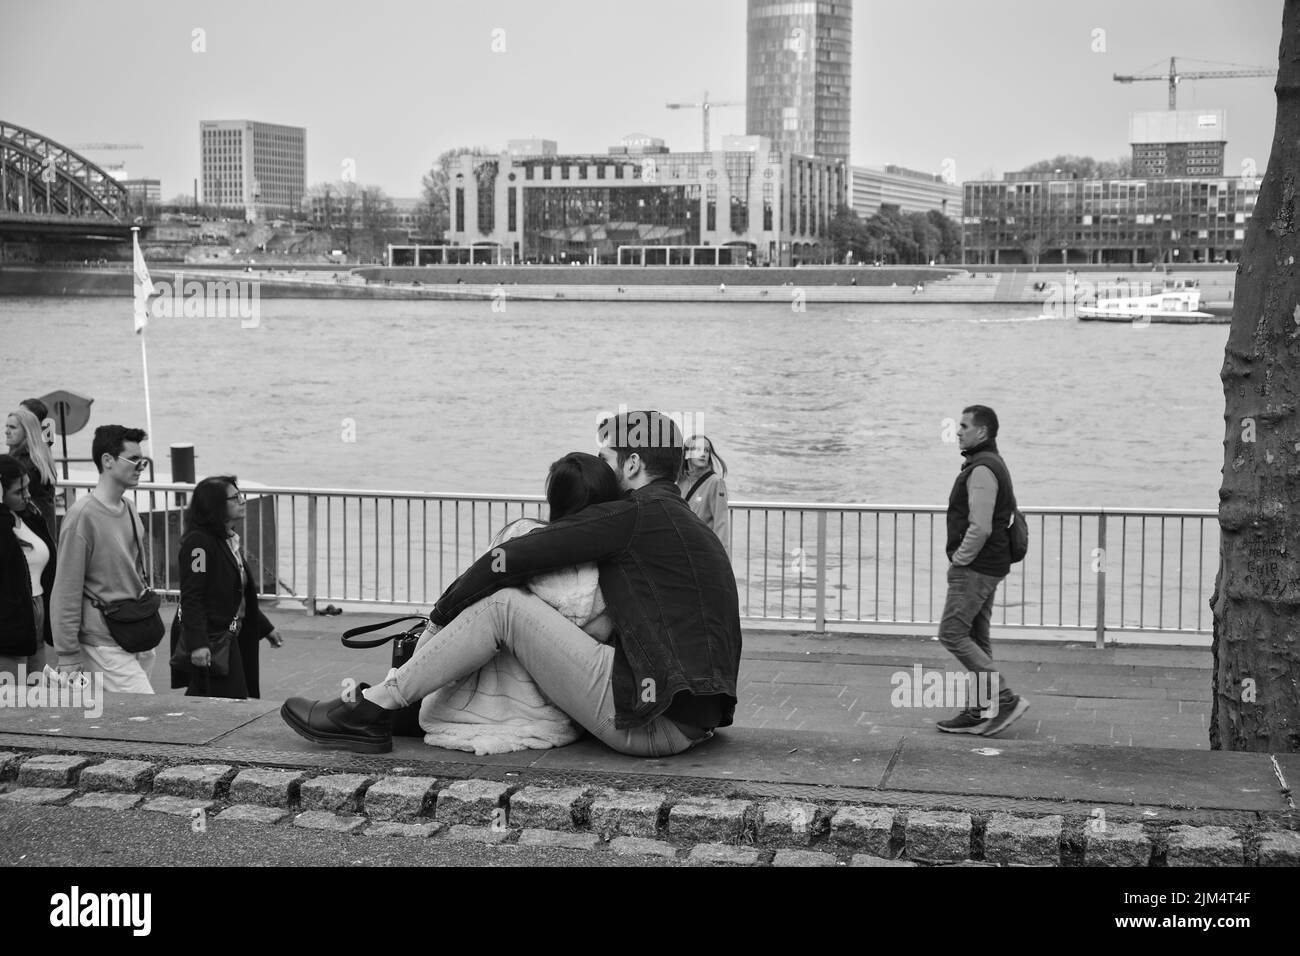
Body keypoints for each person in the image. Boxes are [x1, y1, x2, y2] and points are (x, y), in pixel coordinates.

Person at [282, 410, 742, 757]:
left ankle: (372, 708)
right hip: (696, 717)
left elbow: (508, 561)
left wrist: (438, 618)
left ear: (633, 464)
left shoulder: (633, 514)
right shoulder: (686, 522)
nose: (603, 471)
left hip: (653, 723)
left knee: (503, 605)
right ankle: (397, 706)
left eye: (608, 459)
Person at [418, 452, 620, 754]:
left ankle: (382, 701)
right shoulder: (609, 568)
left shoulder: (519, 539)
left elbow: (472, 602)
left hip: (474, 702)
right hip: (557, 709)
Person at [935, 405, 1029, 737]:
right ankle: (979, 710)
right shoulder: (988, 464)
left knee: (951, 633)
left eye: (964, 426)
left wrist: (960, 560)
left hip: (976, 567)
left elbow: (980, 527)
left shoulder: (982, 470)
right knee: (975, 637)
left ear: (982, 432)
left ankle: (1004, 699)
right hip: (988, 565)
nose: (957, 431)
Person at [49, 425, 157, 693]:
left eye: (141, 460)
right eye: (133, 459)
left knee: (125, 720)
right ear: (107, 461)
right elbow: (66, 587)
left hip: (135, 632)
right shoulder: (82, 516)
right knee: (146, 715)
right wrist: (67, 653)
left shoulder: (129, 509)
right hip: (103, 640)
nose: (140, 466)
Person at [169, 476, 282, 698]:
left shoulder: (228, 540)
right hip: (212, 640)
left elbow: (234, 593)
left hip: (228, 638)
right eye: (235, 498)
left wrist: (265, 627)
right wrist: (199, 644)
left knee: (215, 698)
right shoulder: (198, 545)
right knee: (226, 700)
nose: (242, 501)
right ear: (215, 505)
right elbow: (192, 596)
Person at [0, 455, 56, 680]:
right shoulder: (3, 524)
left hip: (36, 612)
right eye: (18, 491)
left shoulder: (30, 517)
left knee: (35, 693)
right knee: (12, 697)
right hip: (10, 620)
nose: (27, 495)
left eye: (27, 487)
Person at [5, 407, 58, 542]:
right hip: (43, 536)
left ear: (27, 432)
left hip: (30, 538)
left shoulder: (23, 466)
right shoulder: (39, 459)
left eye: (12, 427)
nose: (6, 431)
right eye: (6, 426)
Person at [677, 434, 731, 558]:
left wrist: (722, 559)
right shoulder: (680, 481)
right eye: (698, 449)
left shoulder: (715, 482)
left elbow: (721, 523)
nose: (703, 454)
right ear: (687, 454)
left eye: (707, 450)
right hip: (682, 550)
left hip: (704, 552)